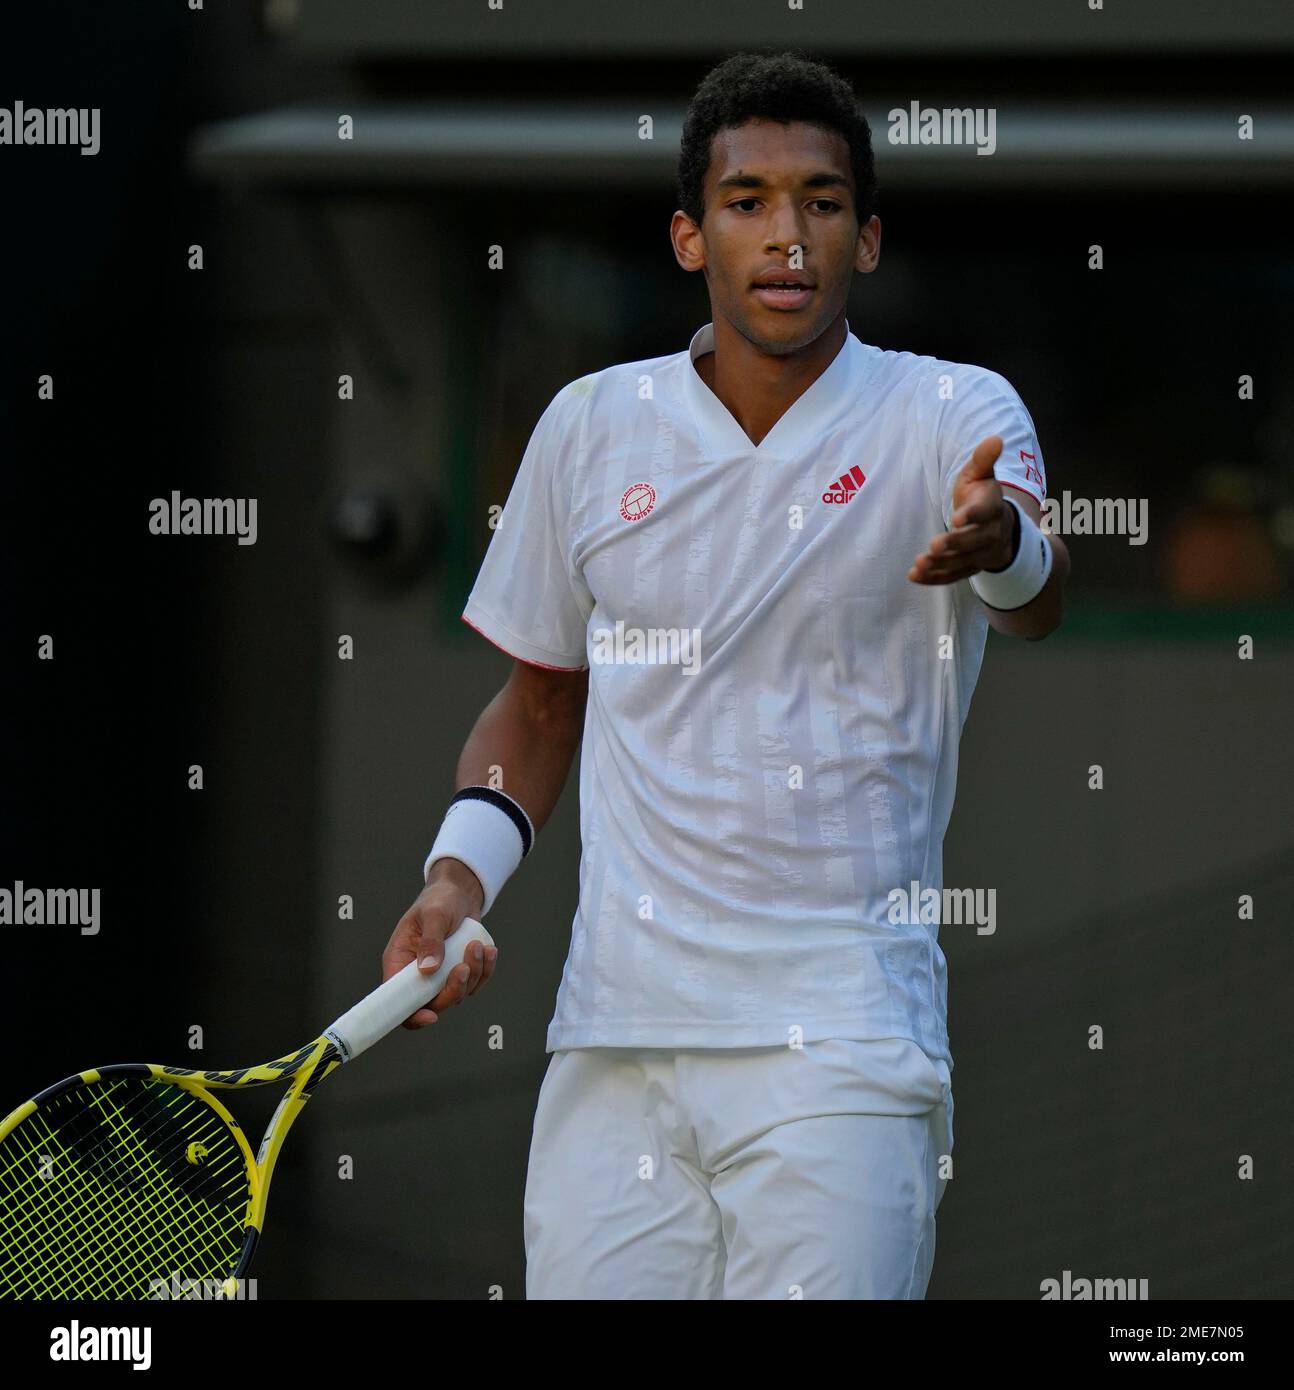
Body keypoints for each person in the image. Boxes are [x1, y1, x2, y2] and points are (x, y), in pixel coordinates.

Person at [381, 50, 1069, 1299]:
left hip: (844, 1050)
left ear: (865, 237)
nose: (786, 235)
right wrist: (451, 879)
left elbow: (1032, 593)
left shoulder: (949, 411)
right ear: (692, 239)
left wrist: (1004, 545)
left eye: (819, 201)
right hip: (613, 1049)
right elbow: (541, 702)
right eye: (747, 202)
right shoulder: (589, 426)